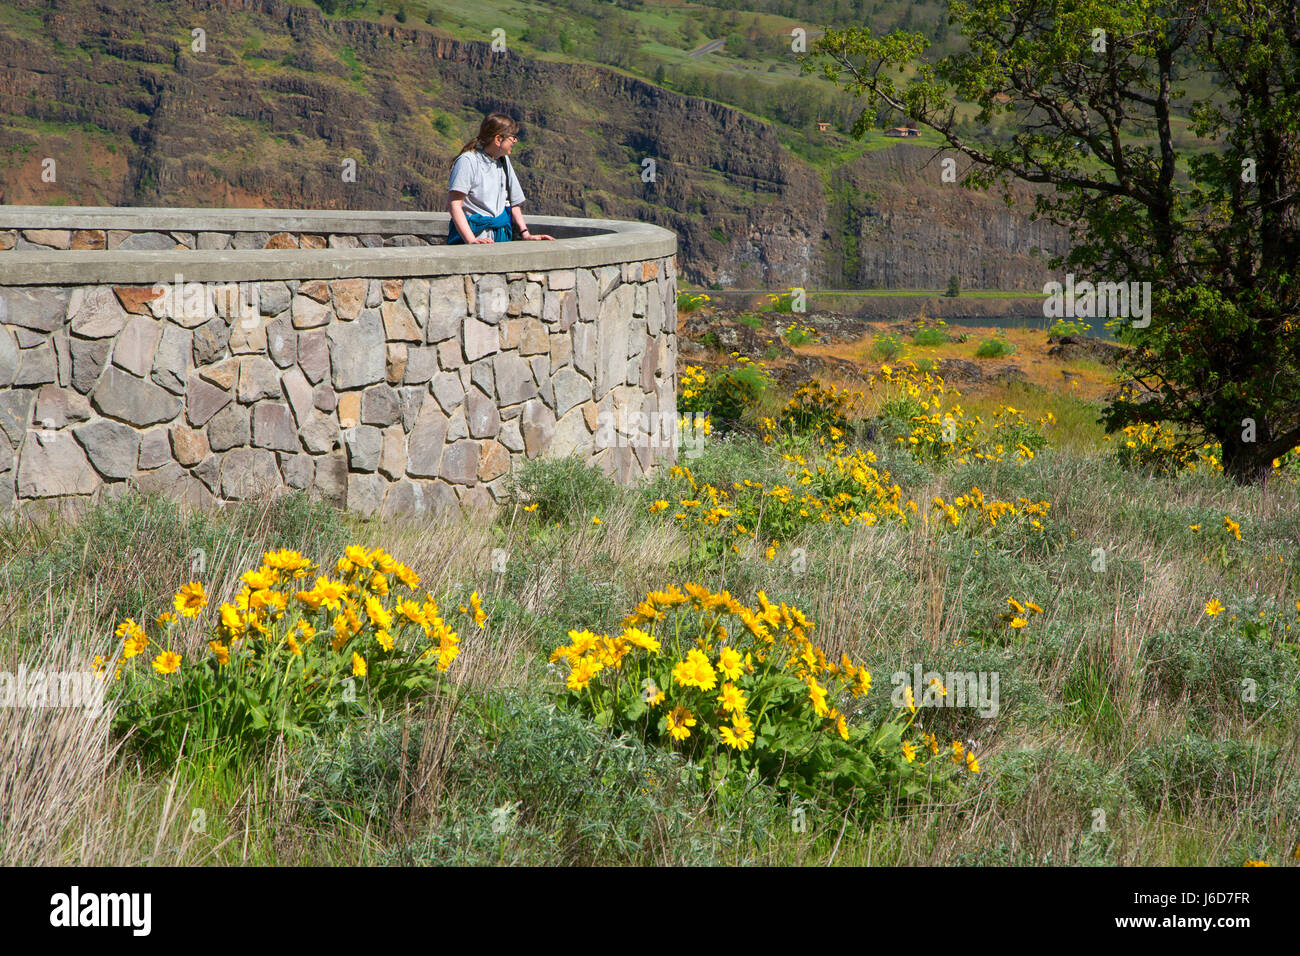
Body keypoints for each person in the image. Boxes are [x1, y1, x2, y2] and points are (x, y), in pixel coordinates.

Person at [446, 113, 554, 244]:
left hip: (500, 238)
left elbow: (513, 204)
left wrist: (525, 234)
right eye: (512, 137)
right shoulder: (467, 161)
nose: (515, 141)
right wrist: (471, 241)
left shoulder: (503, 161)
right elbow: (454, 204)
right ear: (498, 140)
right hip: (476, 237)